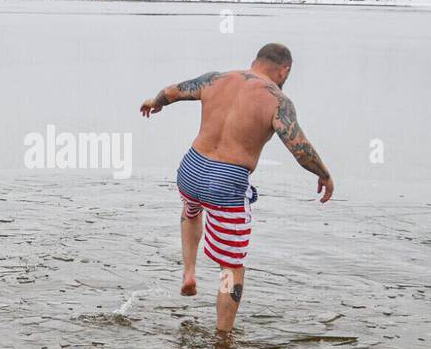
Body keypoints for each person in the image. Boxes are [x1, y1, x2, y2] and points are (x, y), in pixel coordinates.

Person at [139, 42, 333, 332]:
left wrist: (155, 103)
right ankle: (223, 338)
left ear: (255, 61)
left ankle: (189, 273)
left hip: (192, 167)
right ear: (285, 70)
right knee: (231, 266)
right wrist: (324, 174)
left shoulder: (216, 79)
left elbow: (172, 91)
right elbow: (299, 149)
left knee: (191, 209)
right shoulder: (277, 100)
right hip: (226, 181)